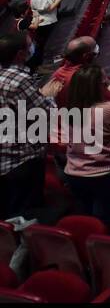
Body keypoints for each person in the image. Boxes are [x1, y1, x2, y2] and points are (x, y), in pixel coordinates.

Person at [0, 32, 61, 215]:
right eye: (29, 45)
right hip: (22, 159)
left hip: (4, 156)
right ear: (20, 53)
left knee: (7, 211)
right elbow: (44, 113)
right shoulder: (19, 80)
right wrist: (48, 96)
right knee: (26, 214)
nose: (33, 46)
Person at [25, 0, 65, 70]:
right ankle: (36, 67)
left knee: (48, 42)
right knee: (41, 46)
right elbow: (50, 8)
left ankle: (47, 60)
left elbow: (57, 5)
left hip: (50, 22)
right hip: (41, 25)